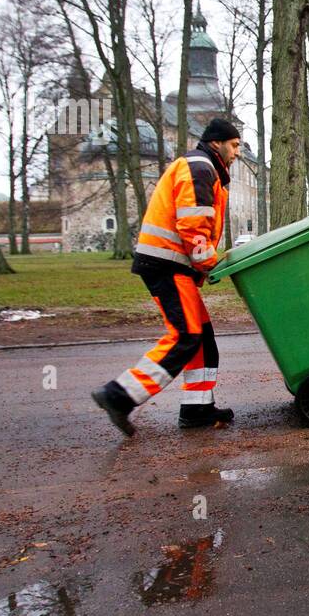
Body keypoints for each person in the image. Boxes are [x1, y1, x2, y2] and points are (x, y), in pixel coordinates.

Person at [92, 117, 242, 436]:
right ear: (217, 142)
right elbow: (193, 223)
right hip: (167, 263)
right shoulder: (201, 167)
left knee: (201, 338)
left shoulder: (203, 167)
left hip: (169, 264)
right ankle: (118, 396)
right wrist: (207, 261)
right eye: (234, 145)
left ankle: (197, 409)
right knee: (186, 336)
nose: (237, 153)